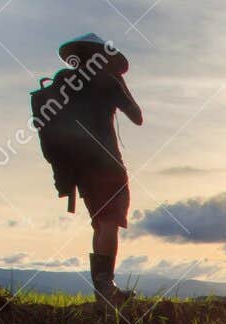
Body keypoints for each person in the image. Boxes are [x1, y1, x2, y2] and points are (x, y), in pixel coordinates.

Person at [53, 33, 143, 308]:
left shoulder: (63, 81)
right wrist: (121, 84)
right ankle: (106, 287)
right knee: (110, 222)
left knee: (99, 221)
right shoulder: (108, 81)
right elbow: (137, 117)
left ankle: (103, 288)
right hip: (107, 163)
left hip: (79, 168)